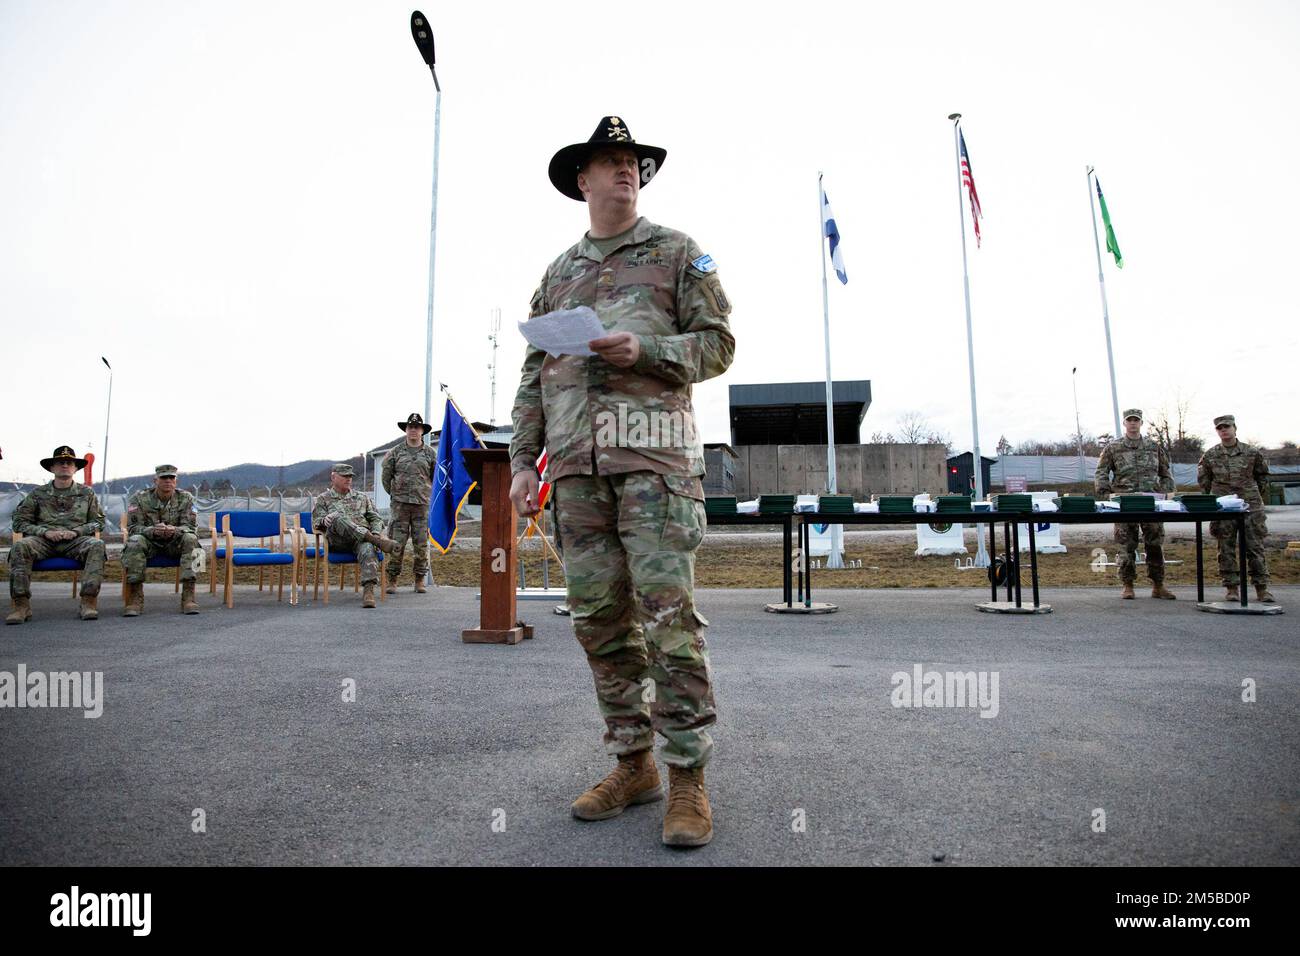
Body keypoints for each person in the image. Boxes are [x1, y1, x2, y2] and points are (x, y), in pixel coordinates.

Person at [509, 116, 735, 847]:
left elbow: (719, 345)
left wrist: (649, 349)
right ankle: (633, 765)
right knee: (600, 623)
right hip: (577, 474)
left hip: (654, 469)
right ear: (583, 180)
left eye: (633, 160)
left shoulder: (677, 253)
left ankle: (688, 777)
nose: (625, 169)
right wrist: (523, 463)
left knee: (669, 622)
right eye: (609, 161)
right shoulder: (558, 274)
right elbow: (533, 377)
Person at [6, 446, 107, 623]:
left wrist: (75, 532)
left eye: (69, 463)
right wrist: (45, 532)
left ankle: (88, 602)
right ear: (52, 468)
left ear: (76, 468)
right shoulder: (38, 494)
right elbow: (19, 522)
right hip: (43, 541)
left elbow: (98, 522)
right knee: (20, 546)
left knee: (97, 545)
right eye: (60, 462)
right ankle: (21, 606)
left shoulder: (87, 493)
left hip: (75, 541)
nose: (65, 465)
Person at [1094, 409, 1176, 600]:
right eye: (1129, 420)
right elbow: (1101, 472)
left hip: (1150, 503)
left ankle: (1158, 585)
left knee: (1155, 545)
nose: (1133, 423)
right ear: (1124, 423)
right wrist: (1105, 495)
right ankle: (1128, 585)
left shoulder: (1153, 447)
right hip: (1124, 504)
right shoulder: (1113, 448)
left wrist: (1166, 494)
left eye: (1136, 420)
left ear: (1141, 423)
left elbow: (1166, 473)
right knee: (1126, 546)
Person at [1198, 414, 1274, 603]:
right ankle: (1231, 588)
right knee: (1225, 547)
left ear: (1234, 428)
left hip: (1250, 506)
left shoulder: (1251, 452)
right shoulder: (1211, 455)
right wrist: (1212, 500)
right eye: (1220, 428)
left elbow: (1263, 476)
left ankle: (1262, 588)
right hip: (1223, 506)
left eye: (1227, 427)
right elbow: (1204, 480)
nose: (1224, 430)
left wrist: (1252, 495)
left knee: (1255, 547)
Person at [312, 463, 397, 608]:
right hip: (338, 541)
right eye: (344, 476)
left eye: (350, 476)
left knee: (367, 547)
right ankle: (375, 540)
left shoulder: (362, 497)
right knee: (337, 518)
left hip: (359, 542)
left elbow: (376, 519)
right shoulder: (323, 499)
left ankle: (368, 591)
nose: (348, 479)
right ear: (333, 477)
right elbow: (316, 522)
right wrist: (324, 520)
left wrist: (376, 532)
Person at [121, 464, 200, 616]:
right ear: (155, 480)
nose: (168, 481)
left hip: (175, 543)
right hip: (150, 543)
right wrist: (152, 530)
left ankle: (189, 596)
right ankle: (135, 597)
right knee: (134, 541)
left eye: (171, 477)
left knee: (193, 541)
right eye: (164, 477)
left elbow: (191, 527)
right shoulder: (139, 498)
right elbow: (133, 528)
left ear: (176, 481)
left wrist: (175, 530)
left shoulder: (186, 498)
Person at [381, 413, 437, 594]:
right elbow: (386, 477)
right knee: (396, 544)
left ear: (422, 431)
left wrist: (426, 494)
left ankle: (419, 580)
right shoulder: (395, 452)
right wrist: (395, 494)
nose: (413, 430)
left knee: (421, 544)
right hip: (400, 506)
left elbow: (436, 477)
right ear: (406, 430)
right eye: (410, 427)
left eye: (416, 427)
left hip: (422, 505)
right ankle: (392, 580)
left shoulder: (430, 453)